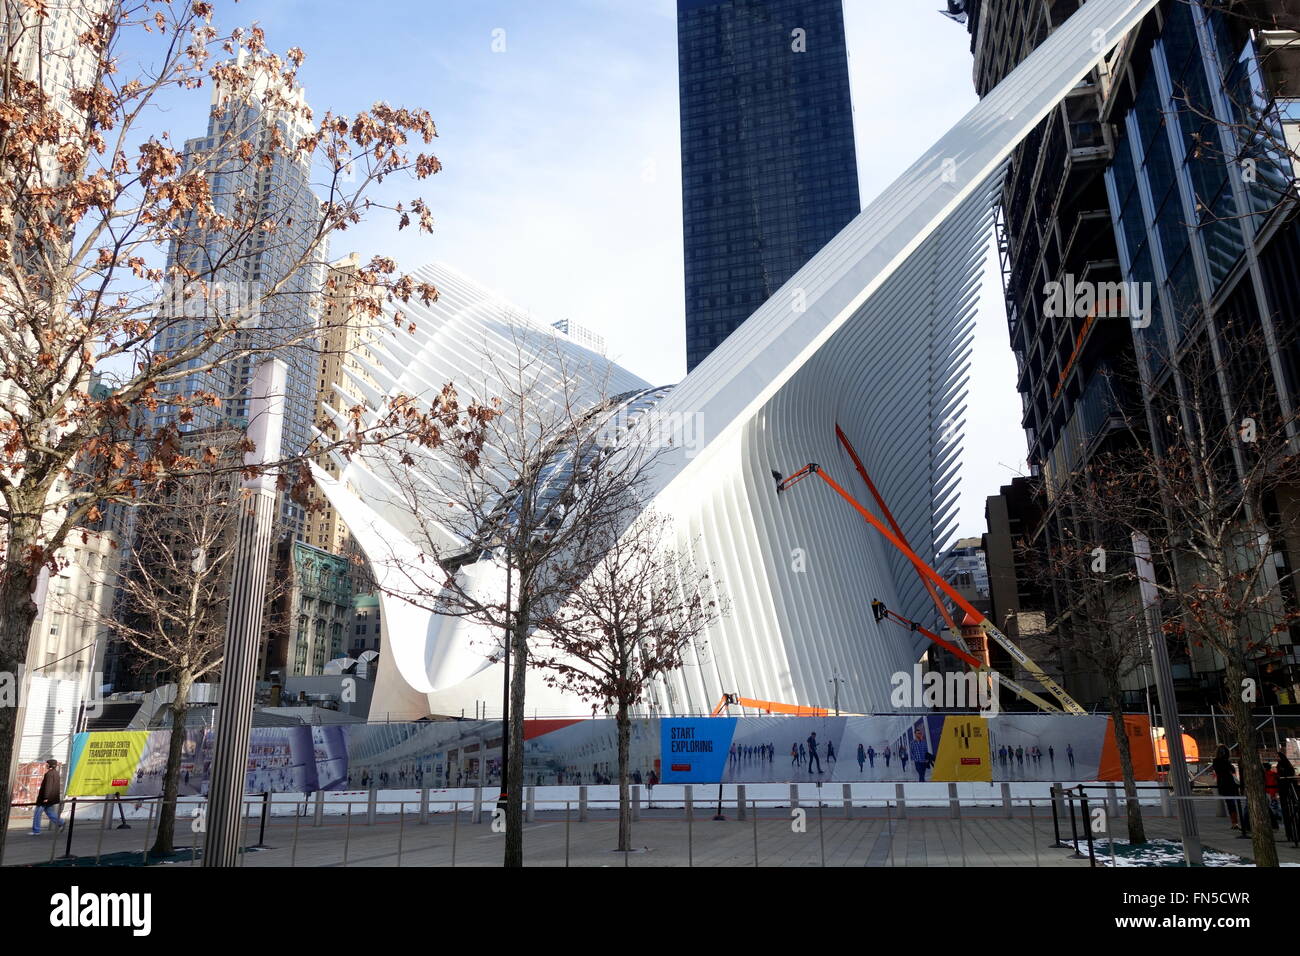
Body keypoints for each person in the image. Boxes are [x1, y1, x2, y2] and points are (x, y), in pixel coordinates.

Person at [31, 759, 65, 835]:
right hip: (52, 798)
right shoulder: (56, 773)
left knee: (37, 813)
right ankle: (61, 822)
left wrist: (46, 797)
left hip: (45, 798)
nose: (46, 765)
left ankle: (36, 830)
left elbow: (48, 786)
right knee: (49, 812)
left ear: (50, 765)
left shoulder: (49, 774)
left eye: (47, 764)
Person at [1212, 745, 1241, 828]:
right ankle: (1236, 821)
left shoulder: (1216, 761)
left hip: (1222, 783)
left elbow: (1218, 771)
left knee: (1229, 803)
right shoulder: (1226, 761)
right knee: (1234, 802)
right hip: (1230, 782)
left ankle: (1234, 822)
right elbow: (1232, 770)